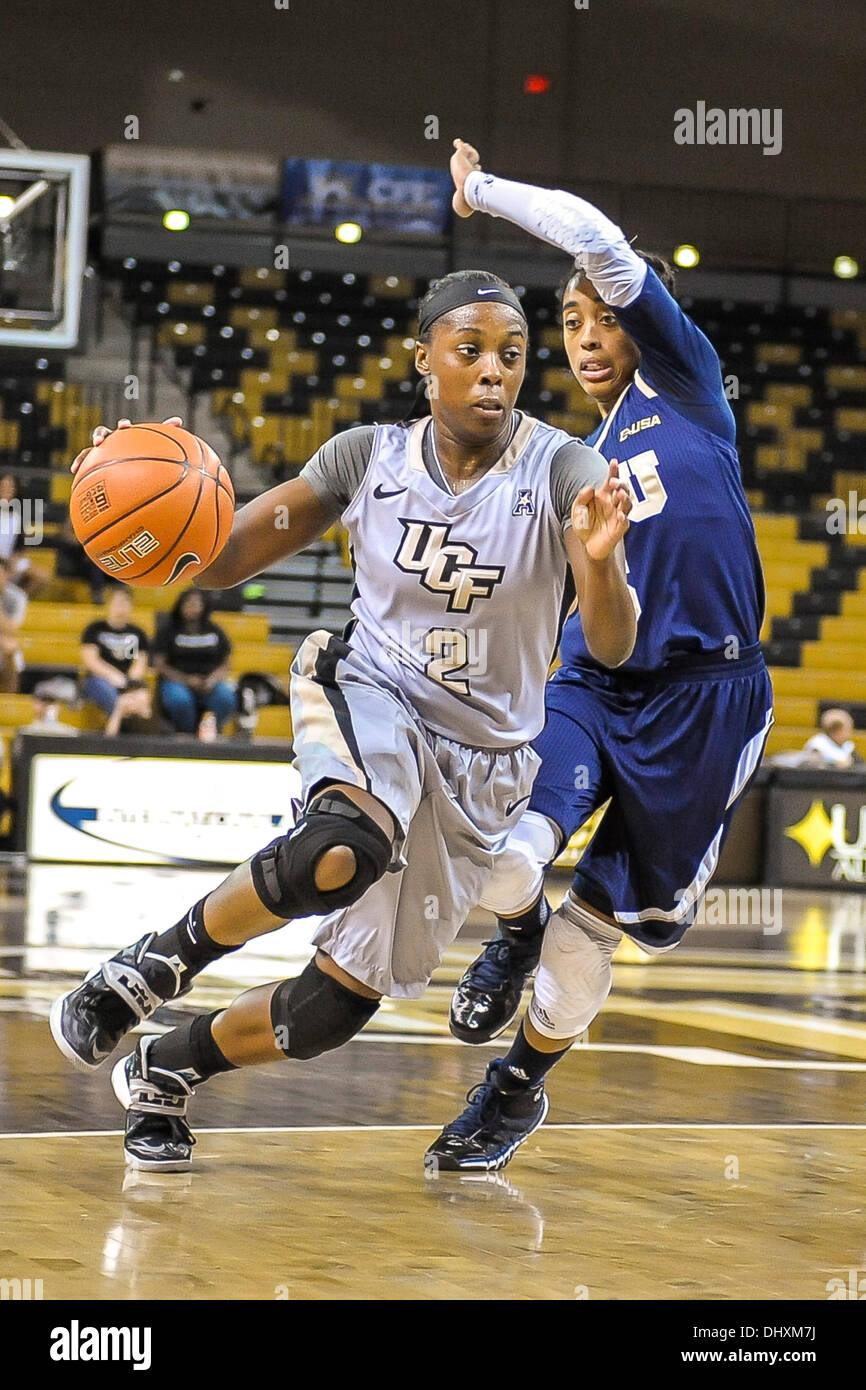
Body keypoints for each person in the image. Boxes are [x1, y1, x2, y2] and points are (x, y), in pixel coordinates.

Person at [50, 266, 635, 1173]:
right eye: (469, 350)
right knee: (341, 848)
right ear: (424, 360)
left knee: (328, 1013)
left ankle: (164, 1067)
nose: (493, 371)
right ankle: (154, 964)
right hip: (375, 693)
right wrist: (131, 506)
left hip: (487, 766)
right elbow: (223, 557)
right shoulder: (365, 456)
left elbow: (614, 640)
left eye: (512, 357)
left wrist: (600, 564)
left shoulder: (567, 469)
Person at [425, 141, 775, 1173]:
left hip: (707, 697)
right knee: (509, 857)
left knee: (598, 934)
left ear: (643, 314)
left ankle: (514, 1087)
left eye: (601, 316)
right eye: (568, 323)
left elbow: (592, 238)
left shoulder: (687, 380)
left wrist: (479, 193)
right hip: (593, 677)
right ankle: (509, 931)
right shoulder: (566, 456)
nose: (584, 336)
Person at [153, 589, 237, 735]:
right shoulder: (169, 630)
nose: (192, 607)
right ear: (180, 605)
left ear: (204, 606)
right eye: (189, 603)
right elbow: (159, 665)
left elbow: (226, 663)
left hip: (209, 681)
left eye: (196, 604)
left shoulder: (214, 630)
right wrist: (186, 680)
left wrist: (212, 679)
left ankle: (213, 732)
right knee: (180, 701)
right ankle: (187, 735)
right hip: (177, 680)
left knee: (226, 698)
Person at [80, 587, 152, 737]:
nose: (122, 606)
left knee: (143, 702)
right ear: (109, 603)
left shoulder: (138, 633)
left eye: (126, 602)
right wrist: (114, 677)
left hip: (128, 681)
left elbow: (140, 662)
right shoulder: (95, 629)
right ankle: (112, 740)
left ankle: (139, 740)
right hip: (98, 679)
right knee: (116, 700)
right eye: (118, 602)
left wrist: (130, 683)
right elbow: (91, 660)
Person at [0, 473, 48, 597]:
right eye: (3, 487)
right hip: (2, 562)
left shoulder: (18, 515)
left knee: (42, 576)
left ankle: (18, 602)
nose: (6, 491)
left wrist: (14, 560)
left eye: (10, 487)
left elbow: (20, 545)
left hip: (11, 560)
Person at [0, 553, 27, 694]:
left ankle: (9, 701)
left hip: (4, 638)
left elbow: (11, 629)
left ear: (7, 574)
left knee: (10, 648)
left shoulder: (17, 596)